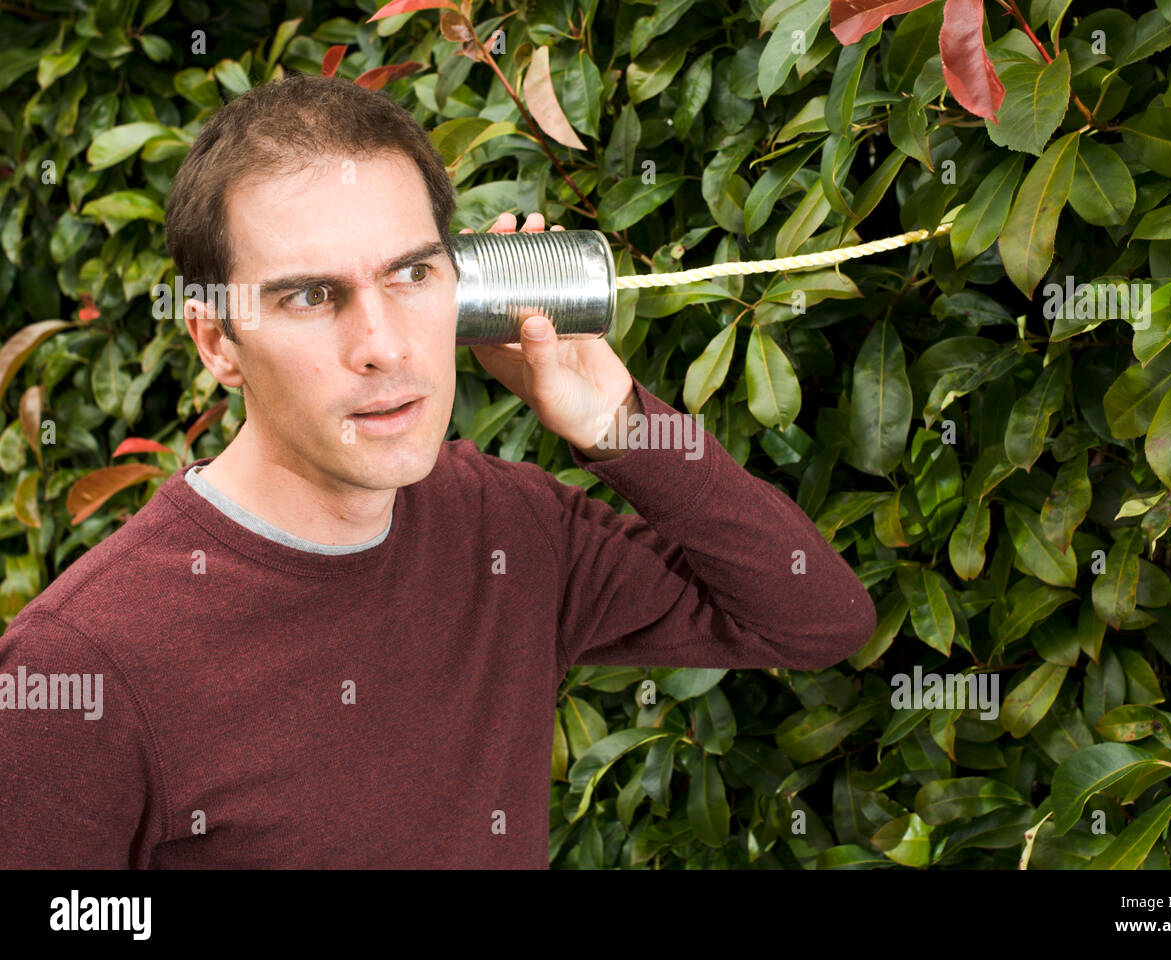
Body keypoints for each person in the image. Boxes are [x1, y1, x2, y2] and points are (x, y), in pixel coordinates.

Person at [0, 73, 876, 868]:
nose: (382, 347)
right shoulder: (78, 667)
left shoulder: (507, 529)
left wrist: (623, 428)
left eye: (412, 274)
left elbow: (815, 621)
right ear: (216, 340)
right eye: (311, 295)